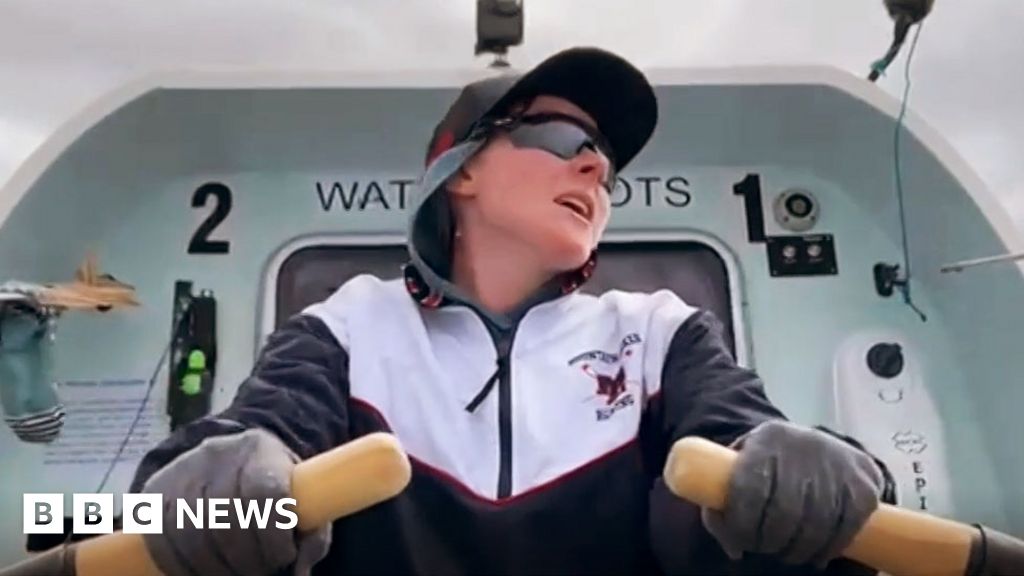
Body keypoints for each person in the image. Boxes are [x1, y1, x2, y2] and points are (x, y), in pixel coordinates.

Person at [130, 47, 887, 575]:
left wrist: (815, 464)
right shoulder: (350, 328)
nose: (595, 166)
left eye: (606, 162)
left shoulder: (659, 331)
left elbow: (739, 432)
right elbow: (251, 439)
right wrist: (220, 482)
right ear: (458, 172)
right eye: (562, 137)